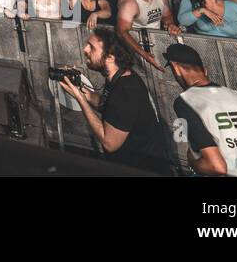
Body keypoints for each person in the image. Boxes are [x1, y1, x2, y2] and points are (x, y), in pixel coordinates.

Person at [58, 26, 173, 174]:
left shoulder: (126, 92)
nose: (85, 49)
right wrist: (79, 89)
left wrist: (80, 99)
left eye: (91, 47)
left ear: (110, 58)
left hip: (142, 169)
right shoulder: (120, 77)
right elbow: (105, 104)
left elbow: (109, 143)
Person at [164, 43, 237, 177]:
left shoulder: (187, 101)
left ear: (176, 68)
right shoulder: (235, 96)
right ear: (205, 71)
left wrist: (193, 162)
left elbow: (216, 167)